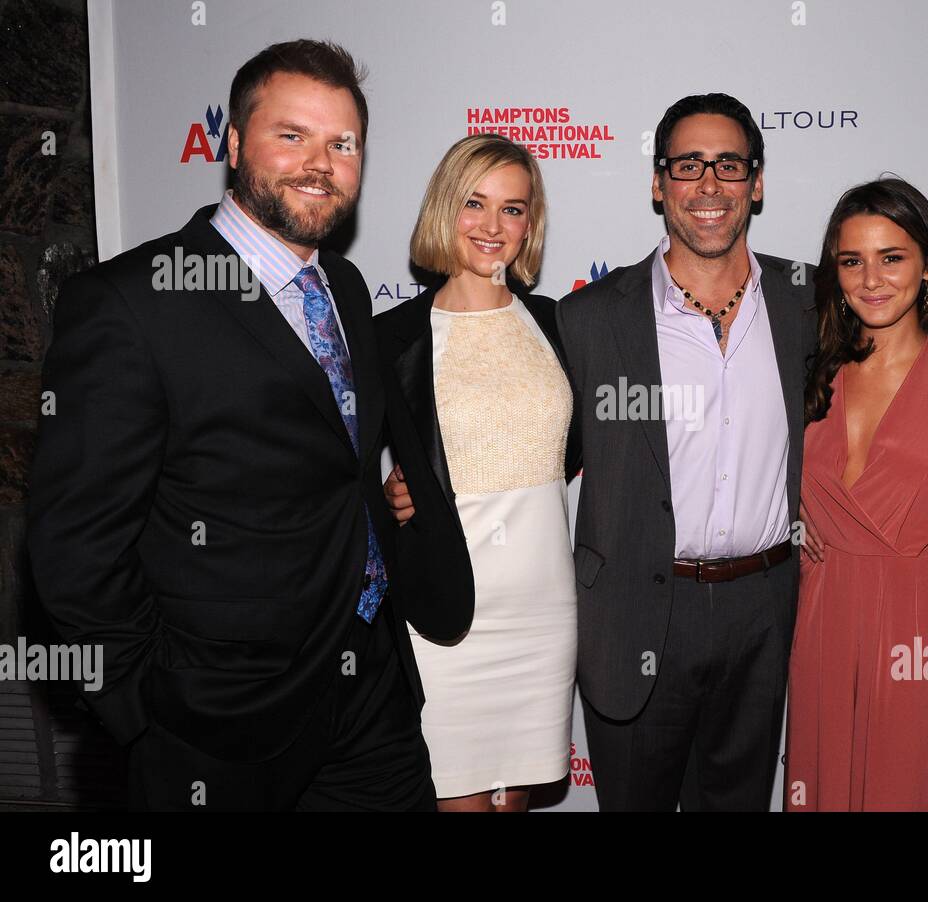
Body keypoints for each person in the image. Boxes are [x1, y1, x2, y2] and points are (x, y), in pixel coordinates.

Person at [26, 40, 472, 811]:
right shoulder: (134, 302)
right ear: (232, 144)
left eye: (343, 143)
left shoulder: (345, 285)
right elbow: (73, 546)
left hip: (370, 691)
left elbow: (339, 467)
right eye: (291, 135)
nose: (320, 163)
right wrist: (149, 709)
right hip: (218, 726)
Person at [554, 93, 816, 811]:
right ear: (657, 182)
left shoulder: (808, 301)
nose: (708, 186)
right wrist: (431, 482)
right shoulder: (590, 318)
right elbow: (532, 438)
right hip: (637, 611)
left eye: (728, 165)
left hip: (763, 609)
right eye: (687, 165)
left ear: (756, 183)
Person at [379, 134, 580, 811]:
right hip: (446, 619)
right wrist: (389, 498)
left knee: (510, 806)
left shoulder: (559, 326)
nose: (493, 227)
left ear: (531, 222)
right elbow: (331, 472)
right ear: (445, 208)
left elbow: (572, 448)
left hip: (543, 610)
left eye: (513, 209)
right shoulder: (392, 337)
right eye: (475, 203)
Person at [786, 178, 928, 811]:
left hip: (923, 632)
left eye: (893, 257)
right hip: (823, 621)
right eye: (852, 261)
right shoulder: (811, 369)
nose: (871, 279)